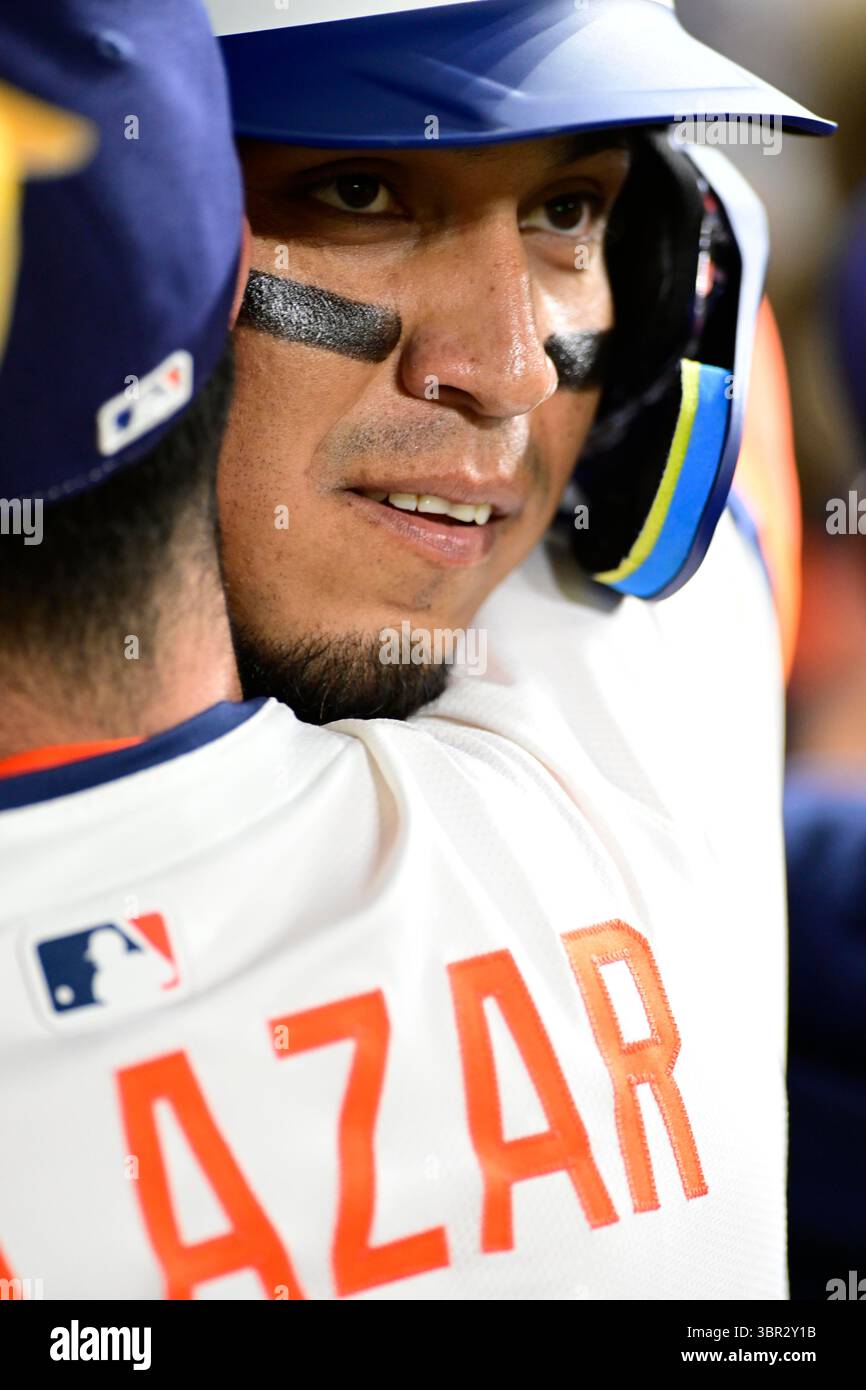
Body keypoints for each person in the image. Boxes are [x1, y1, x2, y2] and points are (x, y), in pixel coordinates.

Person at [0, 0, 831, 1303]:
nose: (503, 372)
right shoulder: (653, 696)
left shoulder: (638, 686)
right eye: (358, 190)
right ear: (115, 258)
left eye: (569, 210)